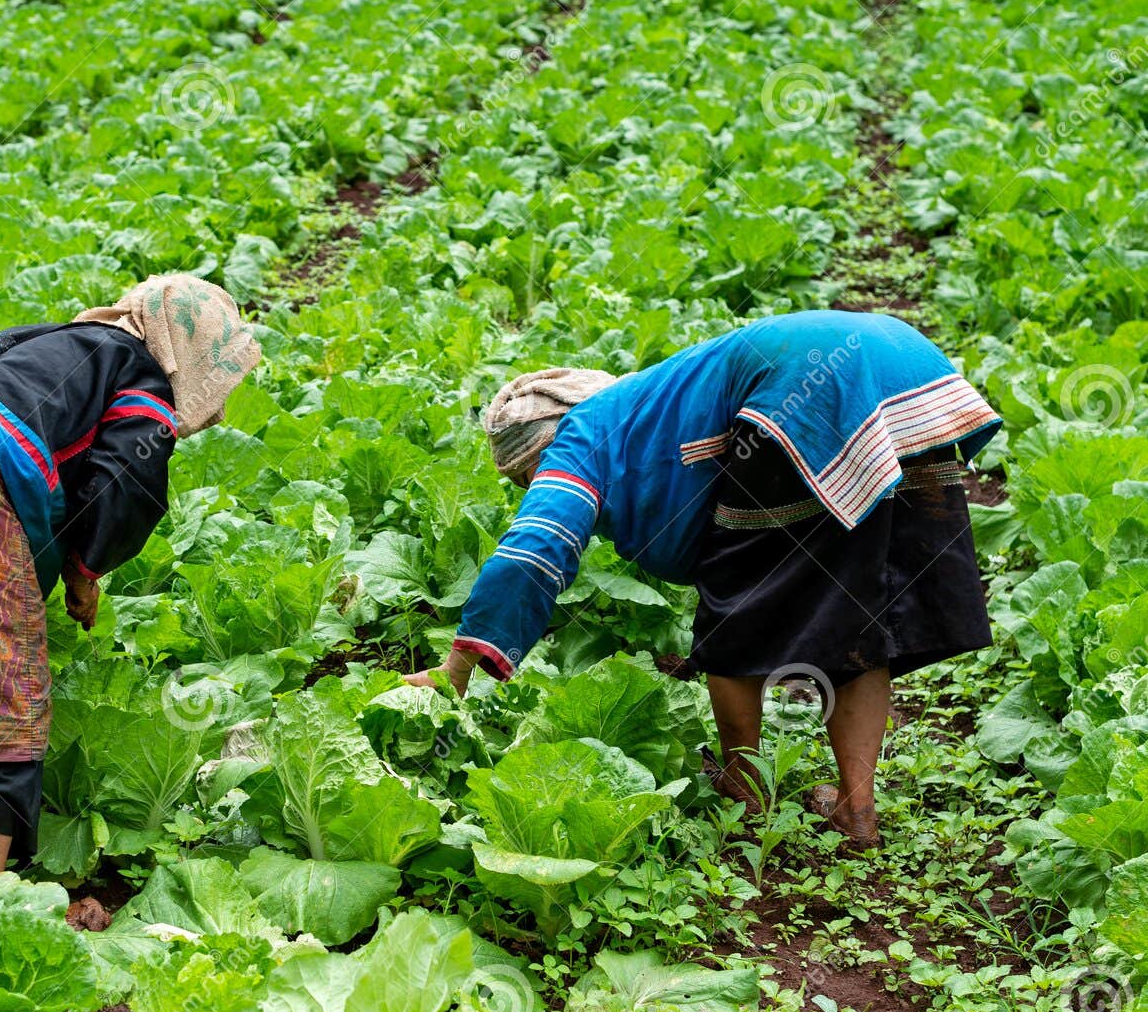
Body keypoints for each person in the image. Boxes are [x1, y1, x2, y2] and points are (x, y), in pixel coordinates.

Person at [404, 310, 1001, 846]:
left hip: (808, 394)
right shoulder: (645, 403)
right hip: (909, 366)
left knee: (733, 614)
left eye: (527, 481)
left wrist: (456, 670)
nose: (535, 487)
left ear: (536, 453)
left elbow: (533, 552)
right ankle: (856, 810)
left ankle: (744, 789)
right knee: (860, 616)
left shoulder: (581, 437)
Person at [0, 274, 261, 882]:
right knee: (2, 689)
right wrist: (86, 573)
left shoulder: (60, 342)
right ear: (193, 351)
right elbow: (126, 483)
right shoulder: (139, 373)